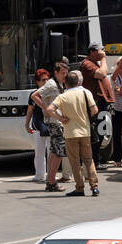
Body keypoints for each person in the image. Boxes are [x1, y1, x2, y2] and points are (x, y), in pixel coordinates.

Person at [48, 69, 100, 197]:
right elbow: (94, 110)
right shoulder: (85, 92)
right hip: (85, 131)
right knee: (88, 160)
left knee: (75, 162)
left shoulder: (63, 96)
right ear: (77, 82)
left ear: (65, 83)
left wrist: (61, 119)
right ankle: (94, 187)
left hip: (70, 133)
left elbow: (50, 109)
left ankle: (79, 188)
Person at [33, 61, 70, 192]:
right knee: (59, 152)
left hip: (57, 122)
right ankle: (52, 182)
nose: (65, 75)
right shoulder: (51, 84)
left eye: (66, 73)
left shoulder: (59, 84)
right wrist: (45, 108)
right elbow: (35, 95)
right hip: (55, 123)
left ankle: (50, 181)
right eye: (62, 73)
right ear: (56, 73)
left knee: (55, 152)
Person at [80, 44, 116, 167]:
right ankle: (94, 161)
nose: (103, 52)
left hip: (101, 102)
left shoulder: (95, 63)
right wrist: (104, 59)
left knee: (101, 131)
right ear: (92, 52)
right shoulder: (87, 64)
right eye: (101, 50)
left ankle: (96, 159)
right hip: (95, 103)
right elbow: (102, 74)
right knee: (97, 132)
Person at [25, 68, 51, 182]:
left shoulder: (52, 93)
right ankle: (39, 174)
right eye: (42, 80)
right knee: (39, 152)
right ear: (37, 81)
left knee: (52, 152)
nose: (45, 82)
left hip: (51, 125)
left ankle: (51, 174)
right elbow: (30, 110)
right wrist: (27, 124)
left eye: (47, 79)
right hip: (37, 125)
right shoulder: (33, 95)